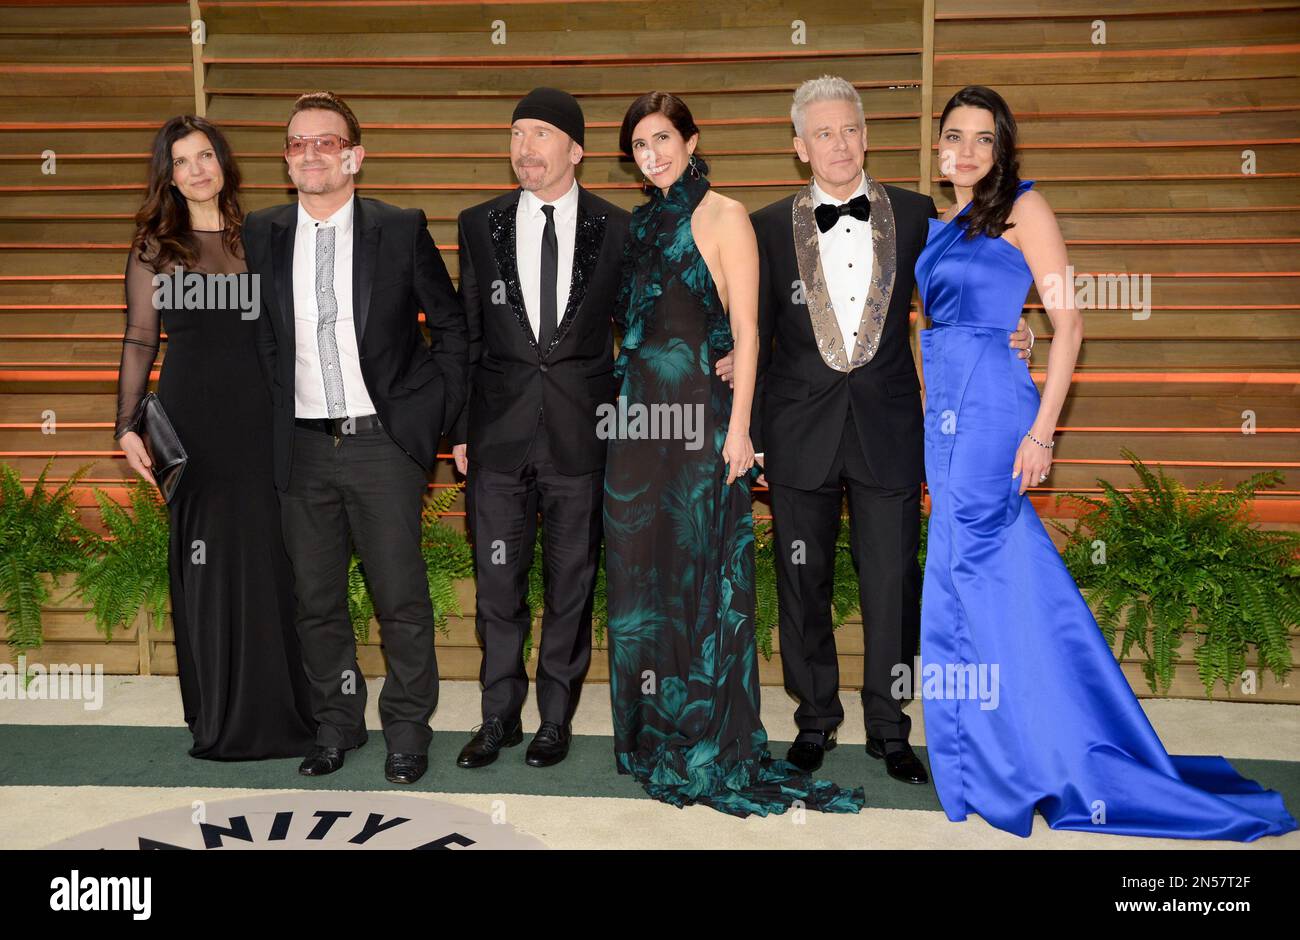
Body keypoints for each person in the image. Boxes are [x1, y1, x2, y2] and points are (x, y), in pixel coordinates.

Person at [917, 84, 1298, 840]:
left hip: (994, 419)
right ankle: (1005, 747)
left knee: (971, 576)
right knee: (986, 582)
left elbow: (1070, 319)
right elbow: (935, 324)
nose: (964, 150)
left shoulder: (1026, 208)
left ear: (1003, 148)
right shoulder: (940, 223)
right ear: (937, 148)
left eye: (981, 139)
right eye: (952, 136)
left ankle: (1010, 759)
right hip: (945, 422)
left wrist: (1043, 432)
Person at [747, 76, 1032, 783]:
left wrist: (1012, 330)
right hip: (796, 432)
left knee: (892, 587)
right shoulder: (762, 226)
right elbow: (746, 331)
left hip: (891, 429)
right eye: (823, 133)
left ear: (866, 135)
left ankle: (889, 726)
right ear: (798, 146)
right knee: (801, 584)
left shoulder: (916, 213)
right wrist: (745, 426)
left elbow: (959, 296)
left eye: (849, 129)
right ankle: (814, 721)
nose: (839, 144)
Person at [602, 91, 865, 817]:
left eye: (662, 139)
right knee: (641, 578)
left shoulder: (725, 216)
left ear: (691, 139)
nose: (651, 154)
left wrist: (741, 429)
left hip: (703, 424)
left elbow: (747, 331)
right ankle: (654, 734)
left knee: (698, 574)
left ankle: (707, 739)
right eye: (639, 145)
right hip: (636, 424)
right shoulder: (641, 224)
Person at [243, 92, 468, 785]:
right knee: (317, 602)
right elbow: (258, 339)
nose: (309, 153)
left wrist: (437, 422)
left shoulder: (399, 229)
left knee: (400, 598)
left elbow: (452, 328)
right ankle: (338, 727)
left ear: (354, 156)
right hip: (303, 449)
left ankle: (406, 730)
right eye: (296, 143)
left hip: (383, 447)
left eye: (324, 142)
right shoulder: (262, 233)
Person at [115, 115, 316, 760]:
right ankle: (221, 717)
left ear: (224, 163)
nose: (198, 168)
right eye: (182, 161)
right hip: (193, 427)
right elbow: (142, 339)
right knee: (208, 566)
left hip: (264, 423)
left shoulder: (261, 237)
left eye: (206, 155)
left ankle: (286, 714)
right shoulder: (155, 248)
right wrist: (125, 427)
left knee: (269, 561)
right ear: (167, 176)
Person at [450, 88, 631, 769]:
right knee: (498, 586)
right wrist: (461, 428)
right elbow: (468, 334)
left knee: (570, 584)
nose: (524, 146)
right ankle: (498, 716)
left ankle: (555, 718)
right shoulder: (479, 223)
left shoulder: (617, 228)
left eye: (540, 134)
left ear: (575, 151)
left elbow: (639, 334)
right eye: (517, 132)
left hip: (582, 439)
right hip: (496, 436)